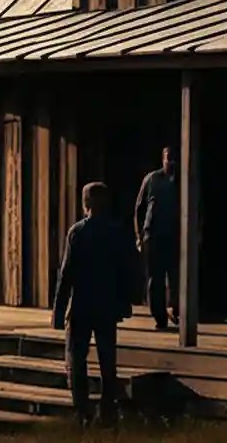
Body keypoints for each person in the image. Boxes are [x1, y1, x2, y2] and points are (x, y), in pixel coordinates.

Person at [52, 182, 140, 427]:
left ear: (85, 204)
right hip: (107, 304)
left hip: (81, 304)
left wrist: (59, 313)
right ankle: (108, 408)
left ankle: (82, 411)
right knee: (107, 360)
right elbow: (127, 270)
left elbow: (66, 274)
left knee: (76, 360)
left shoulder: (77, 232)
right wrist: (127, 302)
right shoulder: (117, 231)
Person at [134, 146, 180, 330]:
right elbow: (139, 208)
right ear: (162, 159)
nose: (172, 162)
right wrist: (139, 235)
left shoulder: (183, 181)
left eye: (175, 158)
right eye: (169, 158)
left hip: (176, 235)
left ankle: (176, 310)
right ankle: (160, 317)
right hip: (153, 235)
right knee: (156, 278)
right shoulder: (152, 179)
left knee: (177, 276)